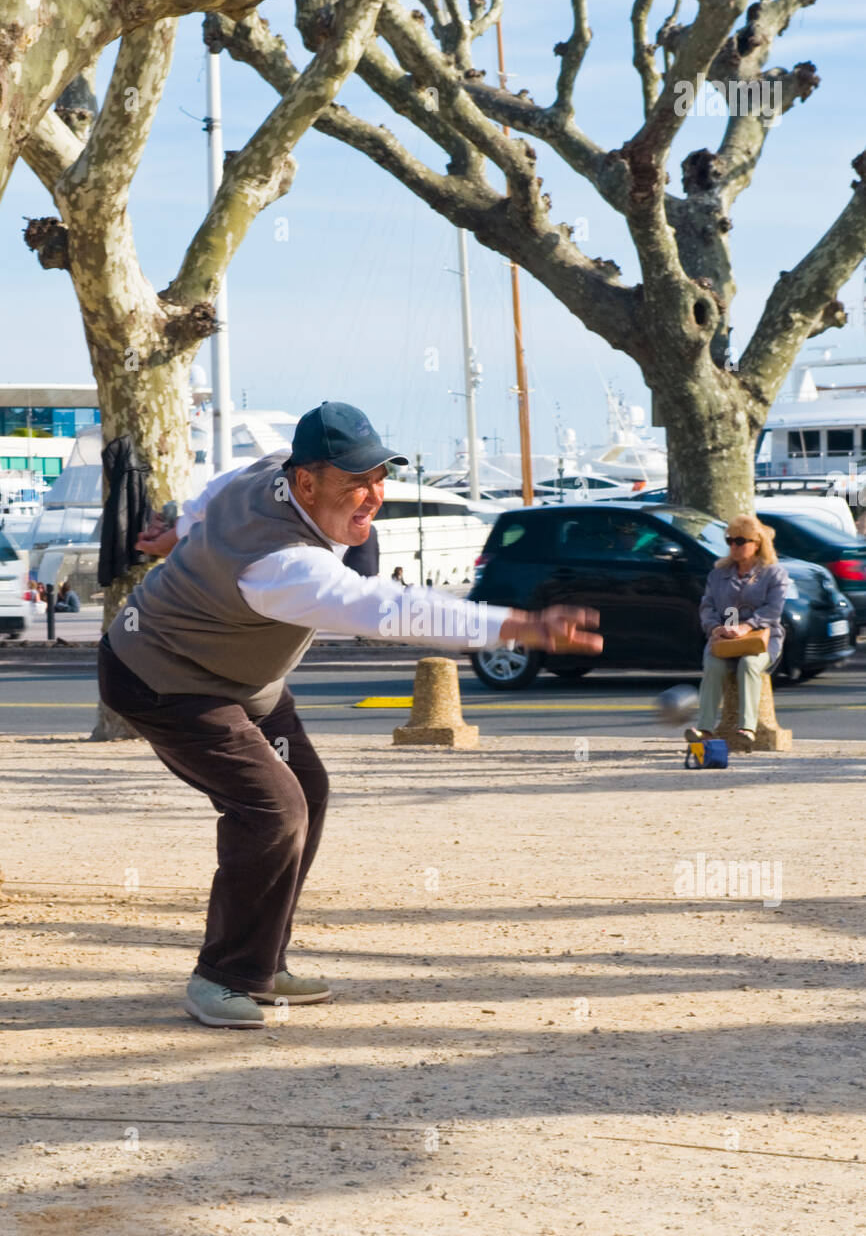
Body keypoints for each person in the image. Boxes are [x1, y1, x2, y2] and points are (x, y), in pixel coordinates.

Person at [97, 401, 603, 1029]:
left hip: (241, 676)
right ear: (305, 482)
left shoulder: (267, 470)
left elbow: (209, 496)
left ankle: (261, 958)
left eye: (378, 478)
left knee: (308, 790)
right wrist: (519, 625)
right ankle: (221, 977)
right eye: (354, 483)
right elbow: (388, 610)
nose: (373, 496)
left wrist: (181, 534)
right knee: (272, 808)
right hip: (162, 677)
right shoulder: (281, 564)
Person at [686, 513, 788, 748]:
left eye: (740, 541)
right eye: (730, 540)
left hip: (761, 638)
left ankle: (747, 728)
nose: (734, 546)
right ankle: (705, 729)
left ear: (757, 543)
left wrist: (747, 626)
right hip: (725, 637)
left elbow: (774, 609)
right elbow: (707, 606)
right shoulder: (718, 573)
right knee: (713, 664)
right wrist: (715, 628)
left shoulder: (773, 573)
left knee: (749, 665)